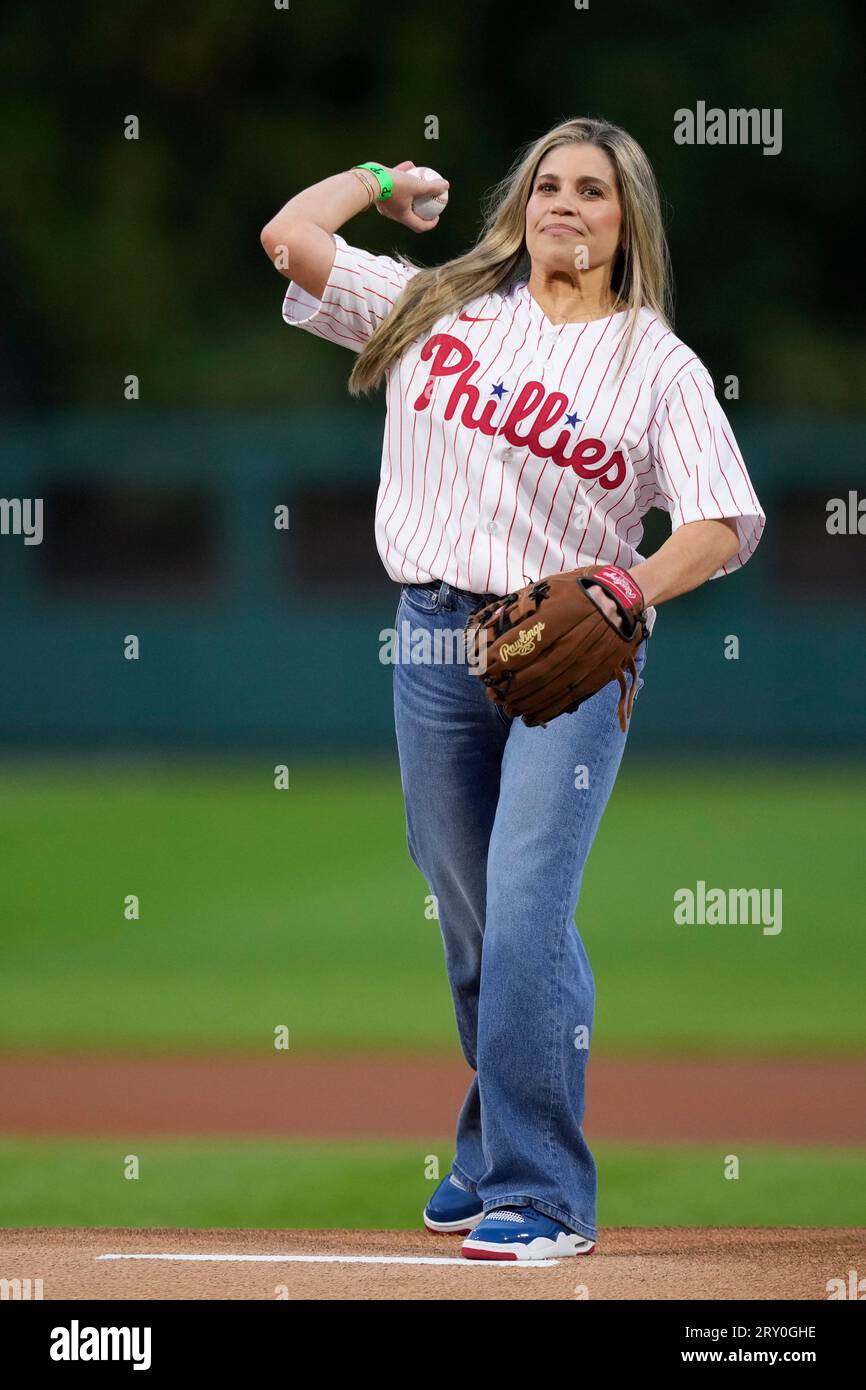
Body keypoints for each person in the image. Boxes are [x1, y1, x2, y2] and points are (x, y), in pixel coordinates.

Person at [260, 117, 765, 1262]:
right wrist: (379, 178)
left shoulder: (653, 361)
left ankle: (541, 1193)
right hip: (435, 640)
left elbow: (723, 521)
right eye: (547, 184)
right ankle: (490, 1147)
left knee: (529, 899)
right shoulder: (440, 305)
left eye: (592, 190)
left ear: (624, 219)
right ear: (520, 205)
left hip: (571, 652)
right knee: (477, 917)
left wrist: (631, 594)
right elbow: (288, 238)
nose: (565, 205)